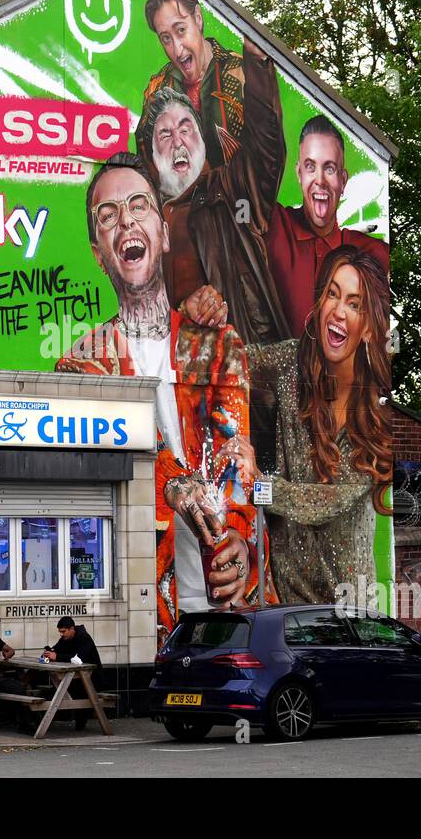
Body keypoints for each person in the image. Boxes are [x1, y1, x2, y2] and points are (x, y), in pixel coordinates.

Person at [56, 152, 277, 639]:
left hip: (227, 577)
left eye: (139, 205)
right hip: (149, 589)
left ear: (163, 229)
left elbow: (233, 446)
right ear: (98, 251)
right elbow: (120, 444)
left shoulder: (218, 343)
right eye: (108, 215)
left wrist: (238, 530)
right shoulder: (82, 361)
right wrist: (172, 483)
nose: (126, 220)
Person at [244, 246, 393, 604]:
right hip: (286, 607)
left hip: (349, 616)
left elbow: (322, 503)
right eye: (332, 294)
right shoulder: (294, 361)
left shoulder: (376, 419)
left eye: (355, 305)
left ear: (370, 327)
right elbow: (232, 360)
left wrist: (258, 485)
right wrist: (204, 319)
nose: (339, 312)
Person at [138, 37, 289, 349]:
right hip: (167, 386)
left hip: (241, 380)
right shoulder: (141, 221)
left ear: (203, 143)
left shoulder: (232, 191)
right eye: (165, 134)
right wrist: (181, 311)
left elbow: (265, 144)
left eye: (185, 129)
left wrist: (257, 63)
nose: (177, 142)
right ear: (152, 153)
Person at [263, 114, 391, 338]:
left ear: (343, 181)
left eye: (329, 169)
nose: (320, 179)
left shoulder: (367, 251)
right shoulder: (276, 224)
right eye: (310, 167)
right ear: (299, 174)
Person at [137, 0, 246, 169]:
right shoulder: (157, 89)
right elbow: (146, 161)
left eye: (181, 30)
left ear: (198, 18)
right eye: (166, 38)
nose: (177, 50)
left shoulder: (241, 73)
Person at [44, 616, 104, 731]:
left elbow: (78, 660)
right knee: (55, 688)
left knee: (70, 689)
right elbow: (56, 649)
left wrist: (57, 657)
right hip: (77, 678)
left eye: (63, 631)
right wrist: (48, 652)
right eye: (60, 632)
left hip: (92, 679)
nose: (61, 634)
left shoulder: (83, 638)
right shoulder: (65, 639)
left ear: (71, 629)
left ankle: (80, 722)